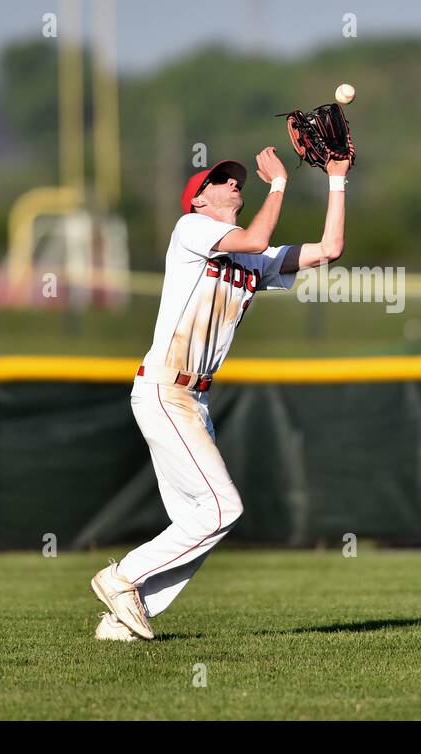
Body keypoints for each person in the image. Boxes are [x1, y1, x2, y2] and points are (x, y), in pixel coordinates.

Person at [91, 147, 349, 640]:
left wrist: (336, 179)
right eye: (221, 181)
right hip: (165, 390)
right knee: (221, 509)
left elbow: (330, 249)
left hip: (194, 402)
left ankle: (122, 619)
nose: (234, 184)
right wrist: (278, 185)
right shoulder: (189, 231)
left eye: (235, 180)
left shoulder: (255, 261)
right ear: (199, 202)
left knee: (201, 523)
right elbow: (254, 236)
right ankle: (121, 578)